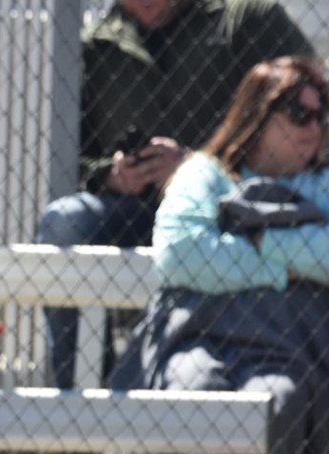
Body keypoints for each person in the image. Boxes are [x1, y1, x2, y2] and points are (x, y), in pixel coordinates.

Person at [36, 0, 312, 388]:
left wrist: (196, 166)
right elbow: (78, 159)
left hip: (231, 211)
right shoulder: (95, 43)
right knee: (64, 223)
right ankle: (80, 412)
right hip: (138, 211)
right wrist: (111, 175)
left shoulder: (247, 18)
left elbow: (307, 125)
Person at [112, 56, 329, 454]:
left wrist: (261, 238)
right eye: (299, 114)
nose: (313, 129)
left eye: (321, 116)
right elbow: (180, 255)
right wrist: (284, 269)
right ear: (258, 114)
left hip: (286, 349)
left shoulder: (321, 184)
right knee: (189, 390)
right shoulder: (204, 174)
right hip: (196, 337)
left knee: (277, 400)